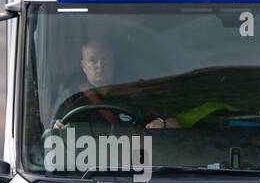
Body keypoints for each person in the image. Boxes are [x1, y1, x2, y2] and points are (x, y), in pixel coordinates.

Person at [51, 39, 179, 129]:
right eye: (93, 61)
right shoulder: (70, 96)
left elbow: (174, 124)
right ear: (84, 66)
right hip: (85, 162)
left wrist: (162, 124)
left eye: (105, 59)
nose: (100, 66)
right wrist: (57, 129)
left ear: (113, 62)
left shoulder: (135, 92)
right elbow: (51, 133)